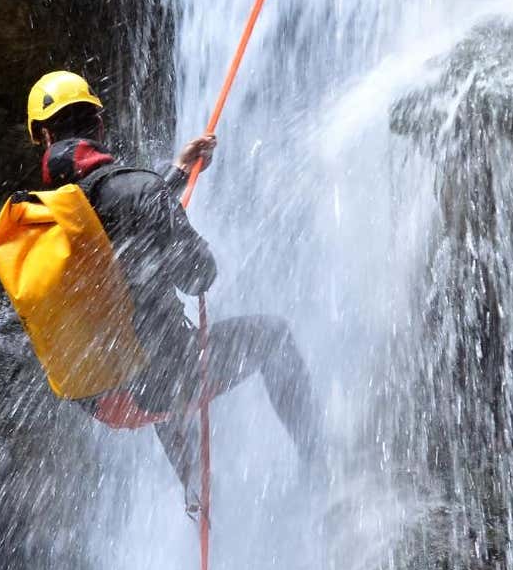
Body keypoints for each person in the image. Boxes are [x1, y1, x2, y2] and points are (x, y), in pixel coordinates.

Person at [25, 70, 323, 511]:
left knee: (150, 352)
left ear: (46, 137)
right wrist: (166, 222)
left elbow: (114, 217)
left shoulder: (44, 215)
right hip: (156, 386)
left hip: (99, 397)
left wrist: (177, 173)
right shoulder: (139, 190)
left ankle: (194, 491)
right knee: (267, 338)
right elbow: (199, 274)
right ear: (100, 126)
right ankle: (322, 464)